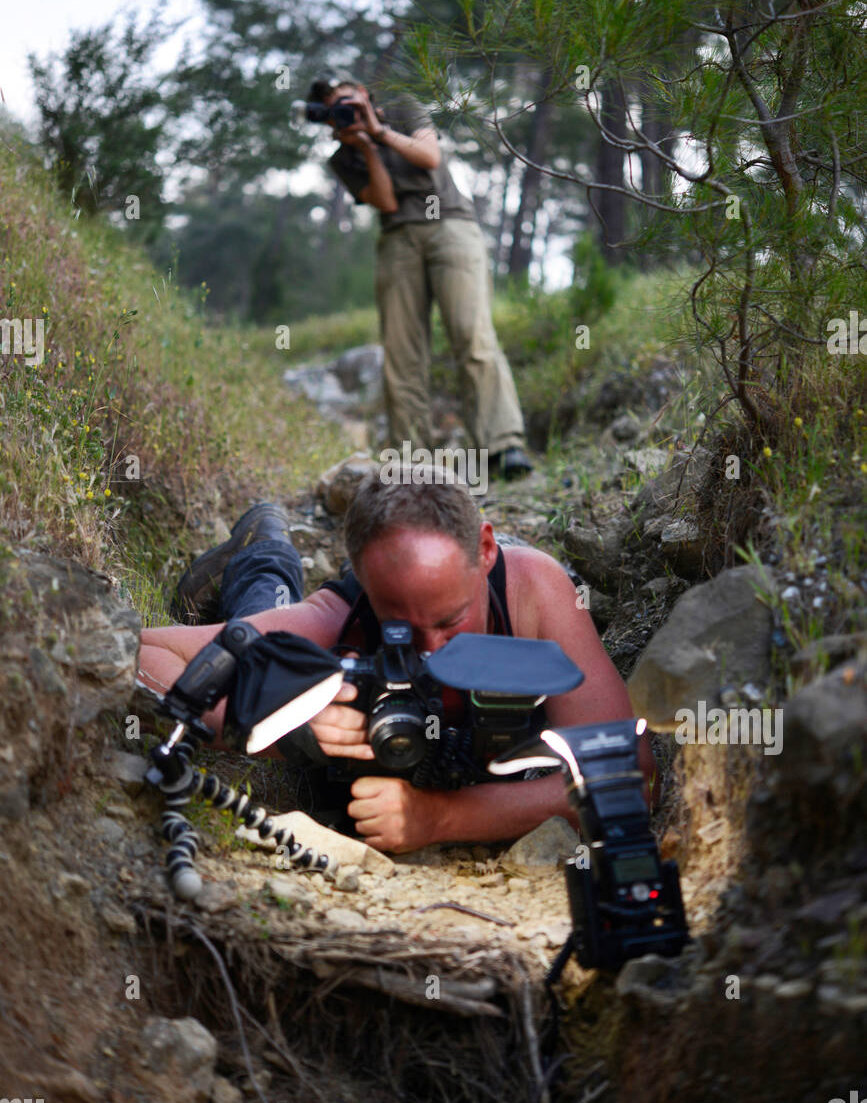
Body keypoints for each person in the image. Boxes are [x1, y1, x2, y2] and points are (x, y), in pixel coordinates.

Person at [146, 476, 652, 854]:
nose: (431, 648)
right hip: (311, 627)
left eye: (452, 619)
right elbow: (146, 655)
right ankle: (262, 550)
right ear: (367, 589)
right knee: (261, 638)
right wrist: (283, 719)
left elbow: (632, 776)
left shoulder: (532, 595)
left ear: (486, 549)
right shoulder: (344, 619)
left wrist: (440, 819)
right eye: (402, 630)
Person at [310, 75, 533, 480]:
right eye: (332, 110)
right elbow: (387, 201)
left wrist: (380, 132)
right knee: (402, 352)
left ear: (364, 93)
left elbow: (430, 157)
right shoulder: (344, 159)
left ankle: (503, 446)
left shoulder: (402, 106)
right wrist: (366, 148)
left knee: (472, 334)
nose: (342, 110)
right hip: (398, 237)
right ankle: (412, 458)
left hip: (451, 226)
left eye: (346, 99)